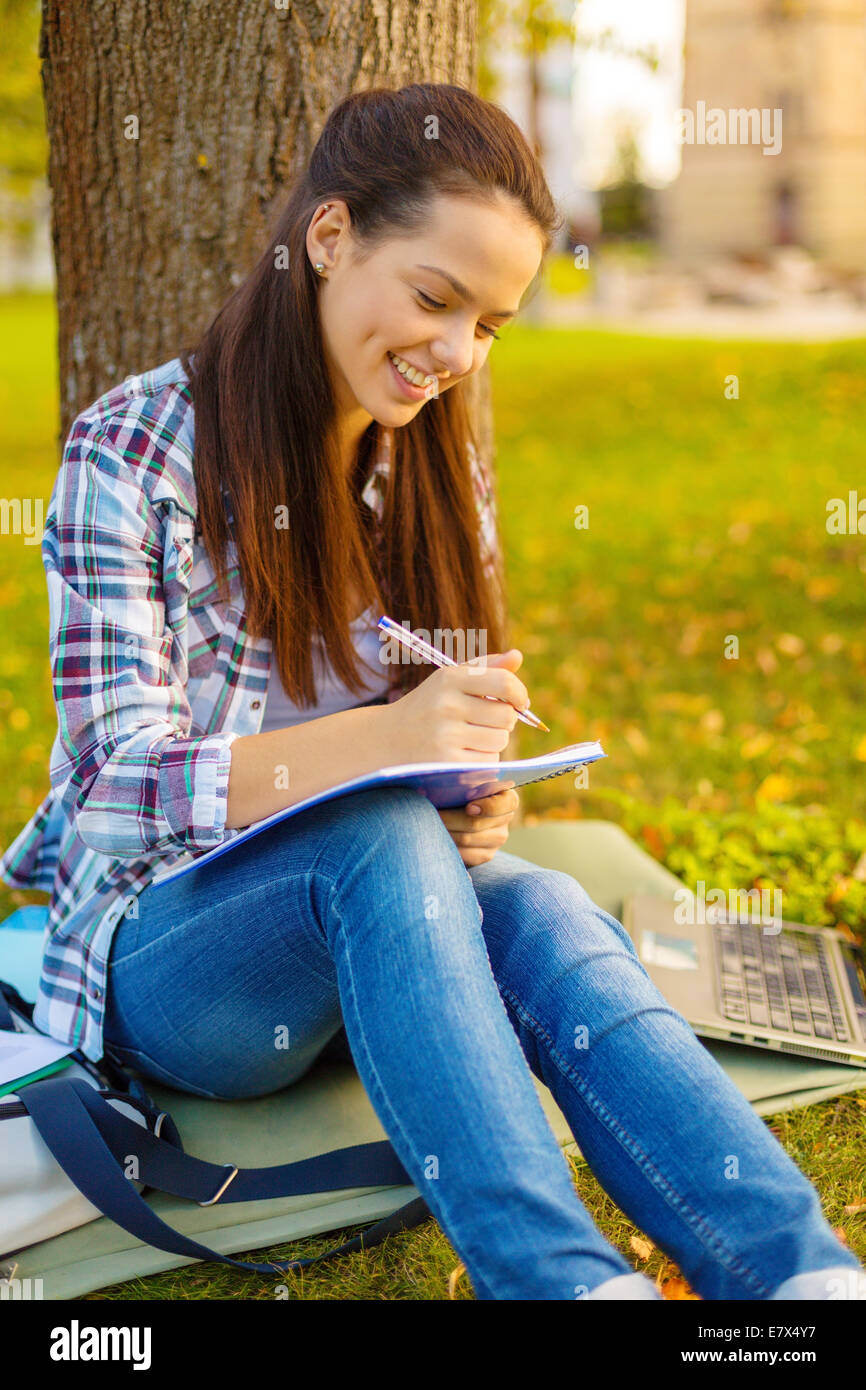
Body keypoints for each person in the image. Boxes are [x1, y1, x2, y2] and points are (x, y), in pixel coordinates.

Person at [2, 83, 863, 1302]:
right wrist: (382, 751)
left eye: (491, 324)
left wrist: (467, 789)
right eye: (433, 298)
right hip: (173, 969)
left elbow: (417, 767)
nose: (455, 353)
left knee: (548, 906)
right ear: (330, 235)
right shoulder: (133, 450)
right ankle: (556, 1282)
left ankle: (799, 1282)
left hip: (387, 931)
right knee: (373, 830)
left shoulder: (432, 463)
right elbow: (106, 789)